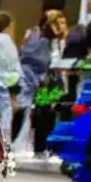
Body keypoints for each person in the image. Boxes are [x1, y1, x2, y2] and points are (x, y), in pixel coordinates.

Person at [20, 10, 67, 154]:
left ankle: (50, 145)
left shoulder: (57, 39)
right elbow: (30, 57)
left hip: (54, 79)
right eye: (58, 23)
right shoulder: (36, 36)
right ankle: (40, 146)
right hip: (42, 81)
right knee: (43, 112)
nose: (62, 26)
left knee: (53, 111)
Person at [0, 11, 22, 144]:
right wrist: (15, 89)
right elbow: (12, 65)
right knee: (5, 121)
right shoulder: (5, 40)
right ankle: (5, 148)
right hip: (7, 84)